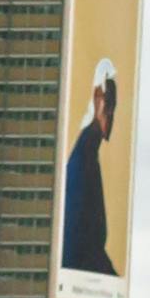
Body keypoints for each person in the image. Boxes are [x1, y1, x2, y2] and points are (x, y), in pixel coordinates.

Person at [60, 61, 121, 279]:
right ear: (98, 98)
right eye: (109, 104)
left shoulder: (87, 152)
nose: (111, 115)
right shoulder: (83, 155)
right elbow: (80, 241)